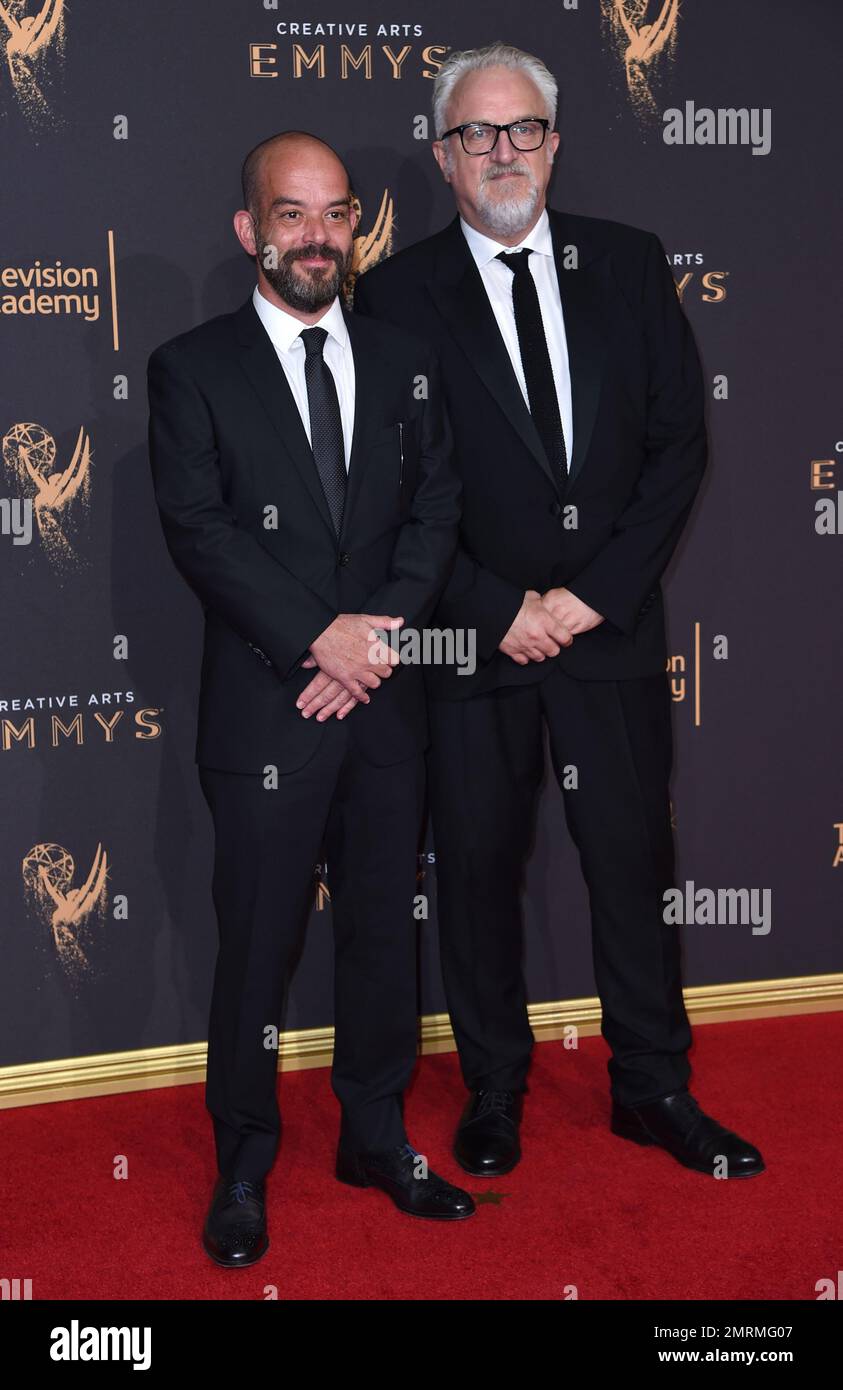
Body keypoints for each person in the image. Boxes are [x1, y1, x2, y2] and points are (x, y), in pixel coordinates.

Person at [354, 42, 764, 1182]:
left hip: (611, 634)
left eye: (521, 128)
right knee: (479, 871)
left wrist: (588, 598)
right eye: (475, 134)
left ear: (556, 140)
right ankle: (495, 1090)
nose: (501, 152)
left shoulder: (630, 266)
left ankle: (653, 1086)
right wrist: (501, 608)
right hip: (474, 640)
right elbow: (393, 493)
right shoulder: (392, 295)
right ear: (442, 157)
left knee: (631, 862)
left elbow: (680, 447)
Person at [147, 130, 471, 1268]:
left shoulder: (402, 357)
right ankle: (243, 1163)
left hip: (383, 703)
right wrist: (316, 641)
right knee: (258, 948)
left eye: (335, 214)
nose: (318, 236)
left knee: (386, 935)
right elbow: (202, 532)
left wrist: (373, 640)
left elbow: (437, 509)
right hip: (265, 714)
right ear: (251, 231)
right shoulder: (193, 369)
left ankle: (376, 1137)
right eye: (292, 214)